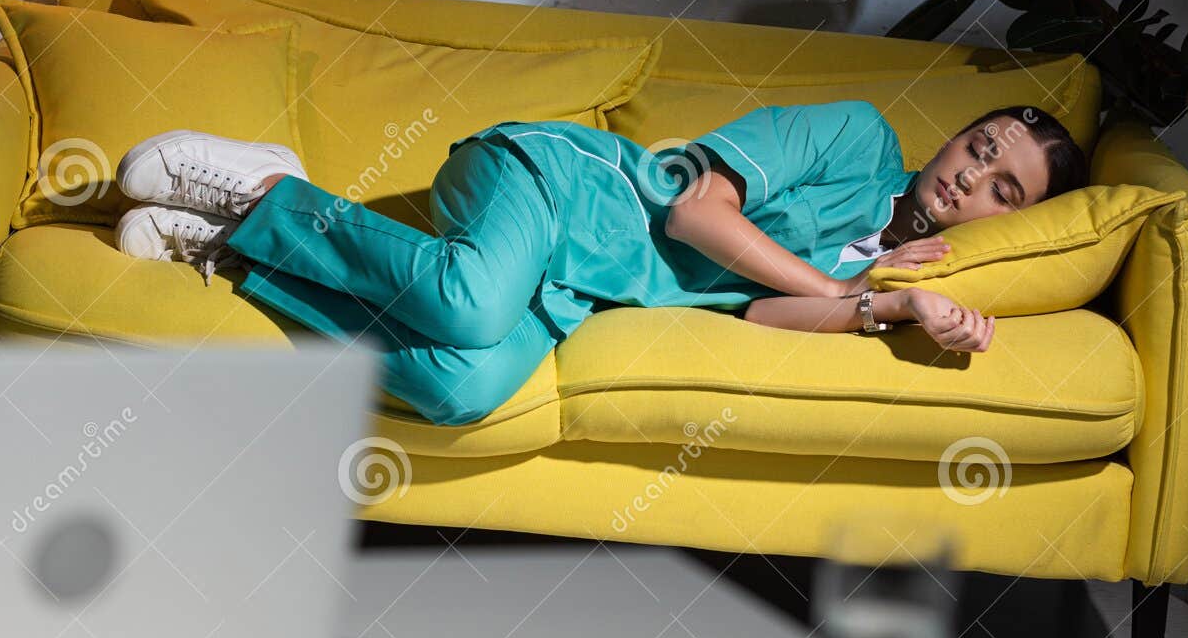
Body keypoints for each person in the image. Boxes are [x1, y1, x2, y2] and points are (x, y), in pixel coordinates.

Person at [112, 101, 1088, 426]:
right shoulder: (857, 140)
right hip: (555, 187)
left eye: (1006, 191)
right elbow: (699, 208)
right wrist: (844, 289)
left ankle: (239, 253)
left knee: (461, 388)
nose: (974, 178)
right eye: (983, 148)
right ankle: (272, 196)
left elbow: (760, 319)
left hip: (572, 289)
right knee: (465, 299)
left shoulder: (886, 277)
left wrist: (892, 312)